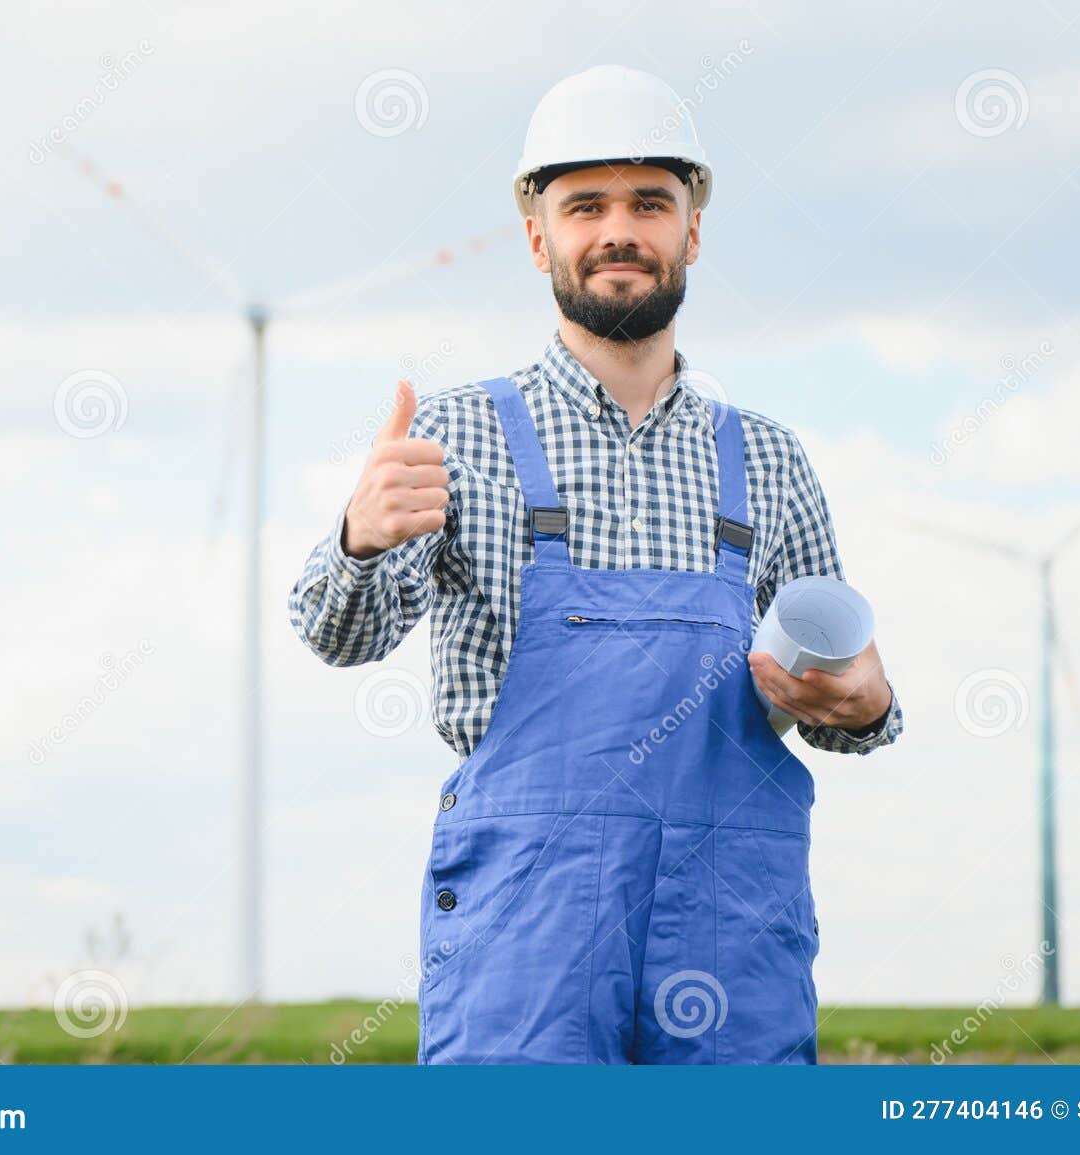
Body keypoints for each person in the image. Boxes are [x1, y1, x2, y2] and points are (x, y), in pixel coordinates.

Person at [289, 64, 903, 1064]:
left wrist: (867, 705)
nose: (620, 230)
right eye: (586, 205)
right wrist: (360, 538)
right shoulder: (455, 438)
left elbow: (837, 702)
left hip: (731, 932)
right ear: (539, 237)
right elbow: (336, 636)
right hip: (526, 938)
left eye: (649, 203)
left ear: (691, 231)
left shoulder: (770, 460)